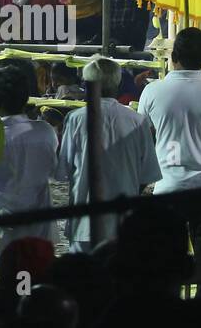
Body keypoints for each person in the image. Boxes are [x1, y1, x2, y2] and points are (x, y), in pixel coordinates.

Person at [136, 27, 201, 287]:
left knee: (166, 261)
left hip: (169, 186)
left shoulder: (153, 92)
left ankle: (168, 318)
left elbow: (144, 139)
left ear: (173, 56)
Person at [54, 55, 161, 252]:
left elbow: (64, 170)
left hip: (84, 220)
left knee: (84, 277)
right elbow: (148, 173)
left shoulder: (75, 119)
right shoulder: (137, 121)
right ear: (118, 83)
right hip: (123, 220)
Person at [0, 66, 59, 269]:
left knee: (3, 277)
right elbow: (54, 169)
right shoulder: (45, 132)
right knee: (32, 275)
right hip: (37, 223)